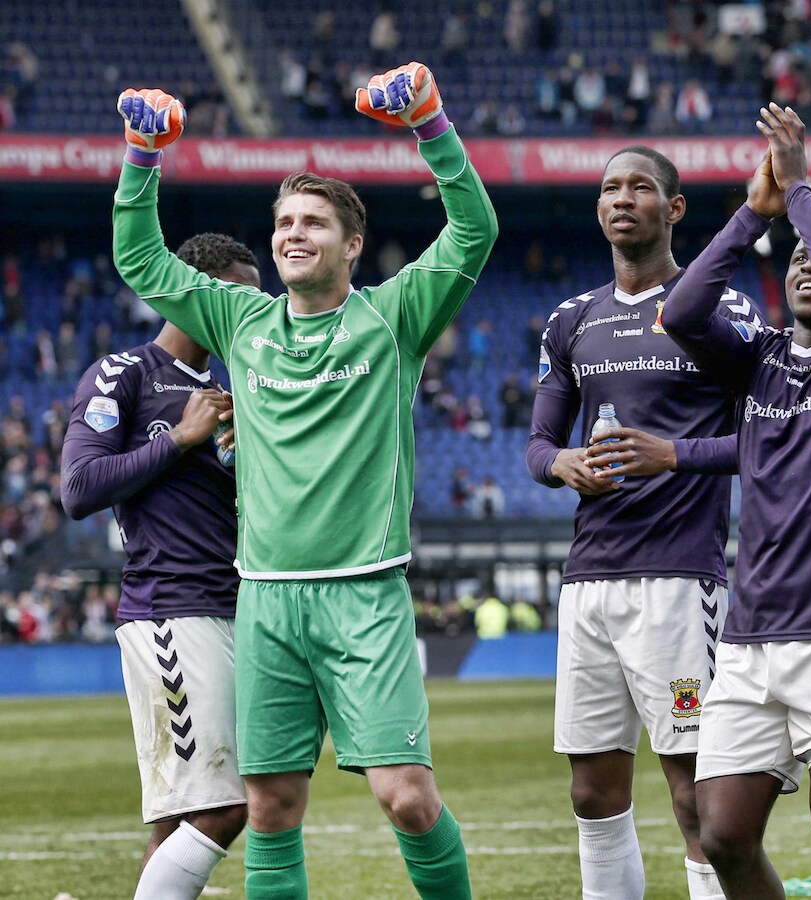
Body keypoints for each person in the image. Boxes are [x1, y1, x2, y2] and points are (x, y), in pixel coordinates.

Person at [113, 61, 498, 899]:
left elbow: (473, 230)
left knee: (407, 798)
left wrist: (431, 124)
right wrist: (143, 155)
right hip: (266, 599)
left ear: (352, 245)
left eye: (314, 222)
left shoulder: (393, 317)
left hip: (365, 594)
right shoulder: (239, 318)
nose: (293, 233)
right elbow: (139, 258)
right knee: (271, 806)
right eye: (284, 221)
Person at [648, 103, 811, 900]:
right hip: (749, 640)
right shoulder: (760, 360)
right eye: (796, 258)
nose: (807, 264)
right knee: (722, 835)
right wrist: (753, 216)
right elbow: (680, 313)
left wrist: (802, 196)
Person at [525, 144, 760, 900]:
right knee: (592, 791)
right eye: (609, 188)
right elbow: (537, 444)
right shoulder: (571, 319)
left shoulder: (723, 310)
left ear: (675, 208)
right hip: (589, 581)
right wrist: (561, 463)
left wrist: (674, 455)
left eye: (640, 187)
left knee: (695, 794)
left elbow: (771, 439)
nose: (622, 198)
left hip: (679, 579)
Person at [61, 233, 260, 899]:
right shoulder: (124, 373)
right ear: (193, 292)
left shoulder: (233, 393)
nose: (248, 312)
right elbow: (78, 489)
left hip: (237, 608)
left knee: (183, 814)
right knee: (225, 806)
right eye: (236, 296)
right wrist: (180, 438)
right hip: (172, 611)